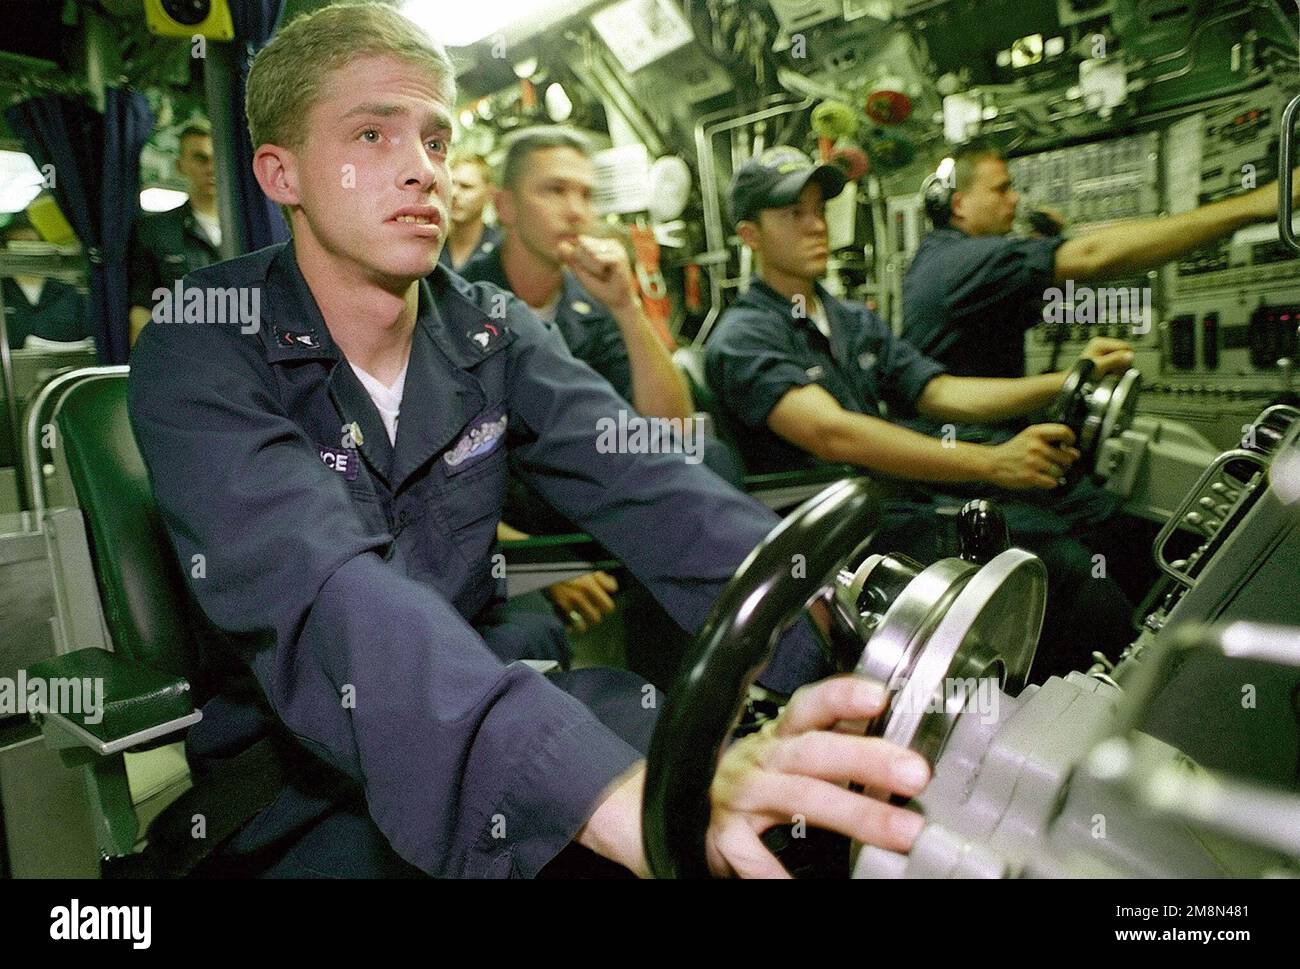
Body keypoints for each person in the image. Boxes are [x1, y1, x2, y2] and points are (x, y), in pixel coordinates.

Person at [128, 2, 929, 879]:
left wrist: (840, 627)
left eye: (435, 141)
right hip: (300, 778)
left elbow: (647, 479)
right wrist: (596, 789)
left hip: (492, 689)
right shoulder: (202, 340)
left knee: (785, 819)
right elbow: (327, 592)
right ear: (281, 175)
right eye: (370, 135)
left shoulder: (489, 330)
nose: (420, 171)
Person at [705, 146, 1137, 679]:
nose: (817, 226)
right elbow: (834, 435)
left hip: (898, 506)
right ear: (750, 236)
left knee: (1095, 521)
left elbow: (937, 391)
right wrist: (991, 462)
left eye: (819, 209)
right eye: (794, 214)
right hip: (836, 539)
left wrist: (1067, 378)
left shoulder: (845, 319)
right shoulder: (743, 336)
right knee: (1059, 568)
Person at [460, 127, 700, 642]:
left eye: (586, 195)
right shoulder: (458, 310)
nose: (576, 211)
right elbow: (433, 484)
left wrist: (626, 307)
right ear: (505, 207)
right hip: (498, 531)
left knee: (709, 463)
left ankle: (686, 708)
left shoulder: (589, 299)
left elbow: (673, 434)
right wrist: (539, 563)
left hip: (587, 508)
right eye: (554, 191)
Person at [903, 137, 1300, 383]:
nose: (1015, 199)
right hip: (969, 453)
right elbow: (1094, 254)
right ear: (958, 204)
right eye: (1002, 190)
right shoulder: (965, 261)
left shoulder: (946, 258)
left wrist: (1054, 245)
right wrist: (1258, 204)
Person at [128, 119, 221, 344]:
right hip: (188, 355)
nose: (210, 167)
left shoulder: (255, 229)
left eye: (216, 158)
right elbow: (142, 311)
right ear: (181, 166)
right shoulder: (157, 232)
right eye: (200, 158)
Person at [0, 217, 89, 348]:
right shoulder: (3, 292)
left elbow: (89, 339)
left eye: (30, 242)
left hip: (67, 366)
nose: (24, 250)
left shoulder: (71, 294)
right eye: (17, 243)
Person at [437, 152, 502, 271]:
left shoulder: (501, 249)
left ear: (490, 193)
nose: (454, 194)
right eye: (451, 184)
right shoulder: (431, 242)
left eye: (466, 187)